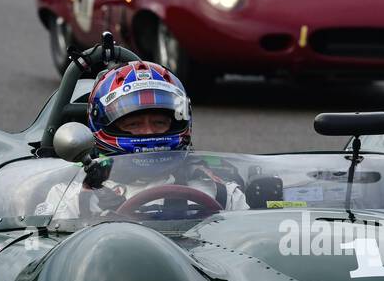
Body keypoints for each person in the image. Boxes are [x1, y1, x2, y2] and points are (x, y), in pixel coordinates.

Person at [42, 60, 246, 222]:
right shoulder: (72, 199)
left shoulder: (219, 193)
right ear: (105, 126)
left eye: (159, 122)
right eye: (133, 124)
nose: (148, 132)